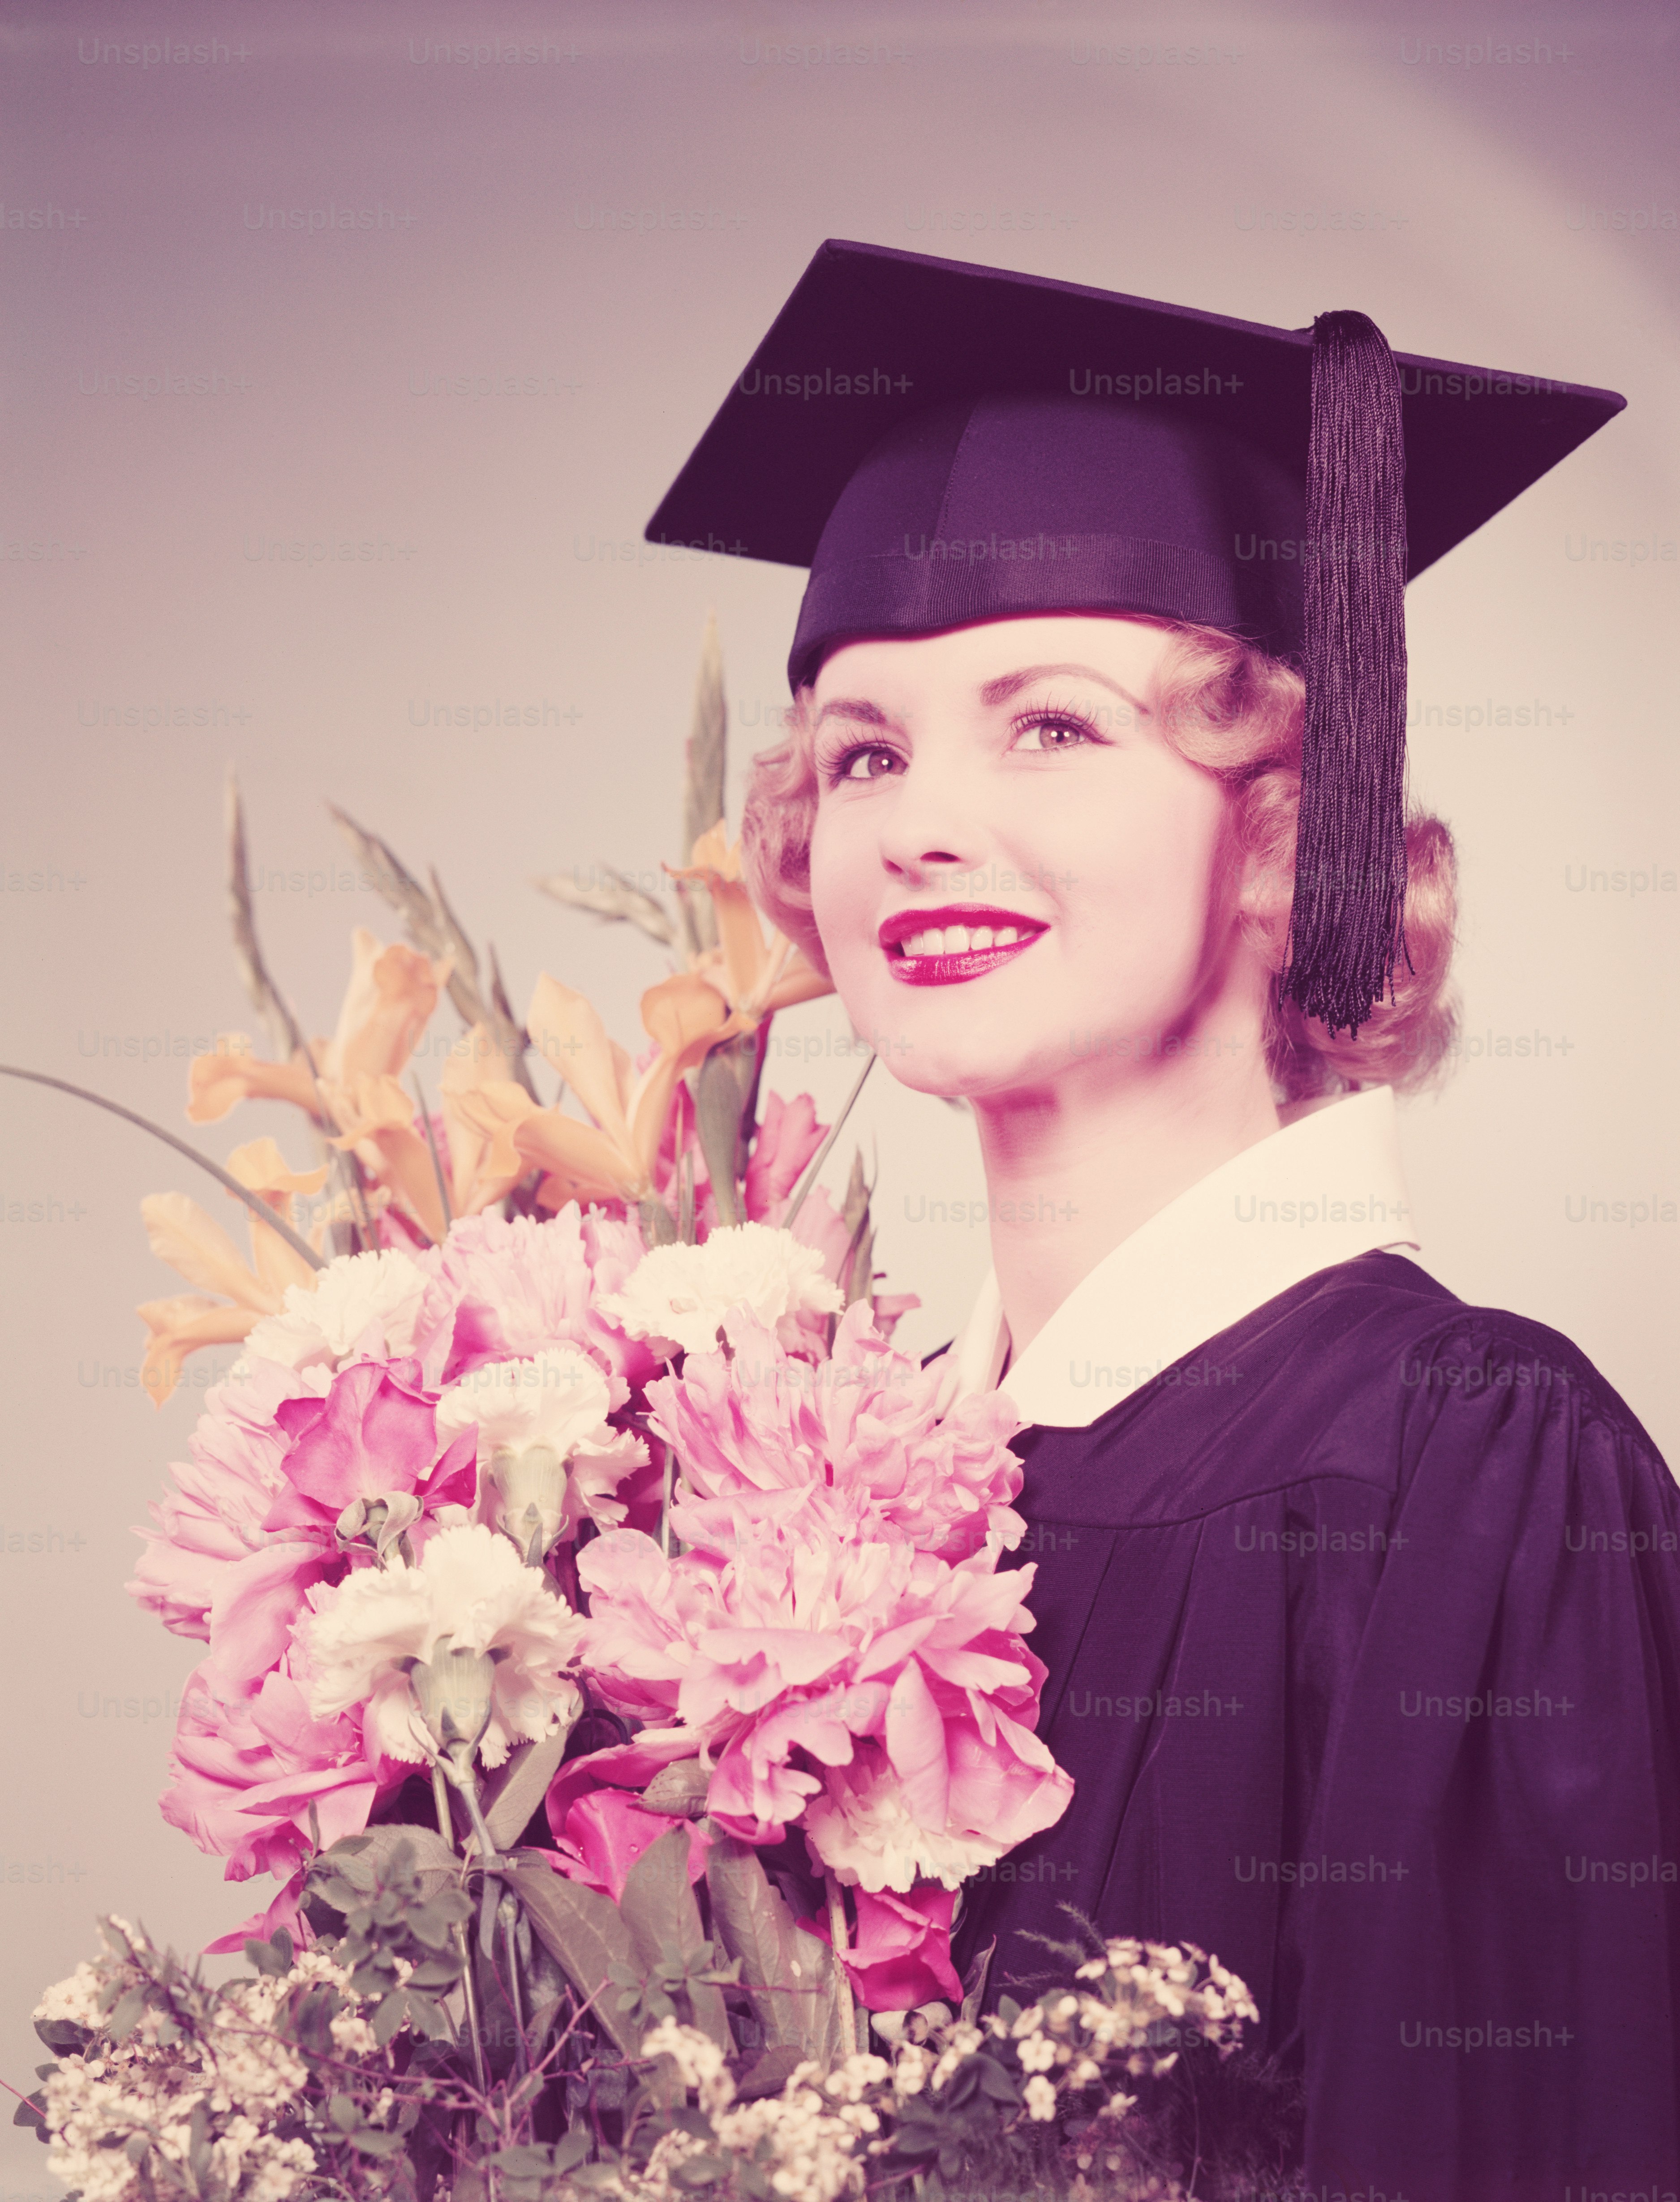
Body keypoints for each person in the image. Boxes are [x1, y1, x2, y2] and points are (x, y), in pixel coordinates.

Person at [651, 240, 1680, 2199]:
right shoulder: (812, 1514)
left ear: (1288, 823)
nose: (918, 822)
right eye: (863, 752)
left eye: (1047, 726)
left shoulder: (1462, 1473)